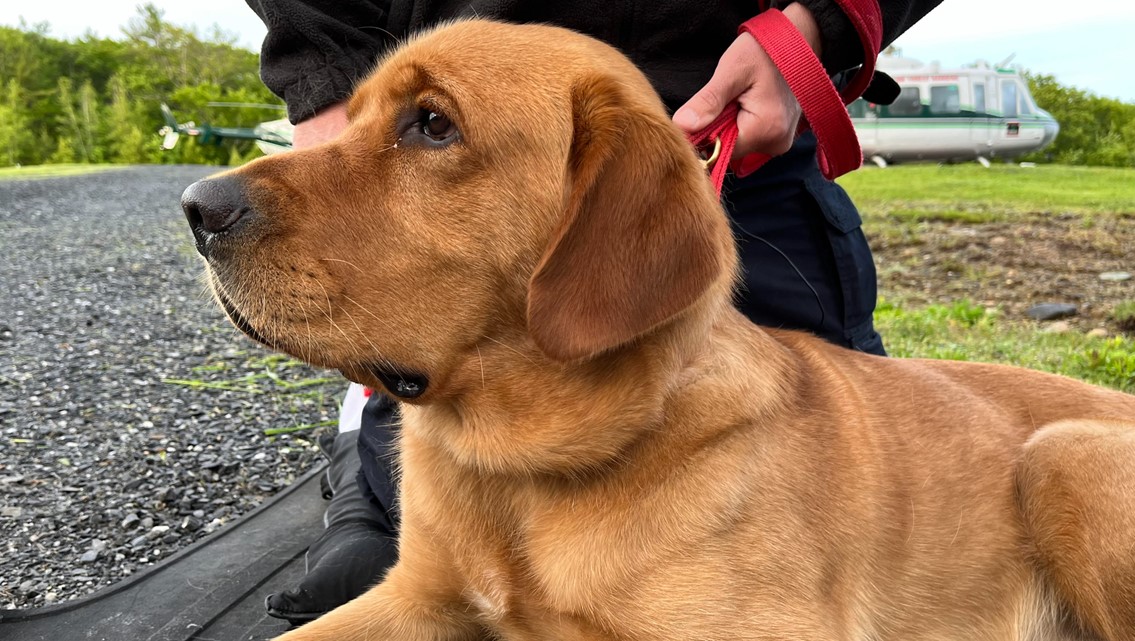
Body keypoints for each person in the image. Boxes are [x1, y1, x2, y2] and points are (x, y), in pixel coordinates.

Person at [244, 0, 942, 626]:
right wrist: (325, 79)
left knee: (832, 469)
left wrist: (818, 23)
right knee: (415, 514)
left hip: (745, 128)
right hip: (443, 46)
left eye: (429, 124)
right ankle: (365, 474)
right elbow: (416, 609)